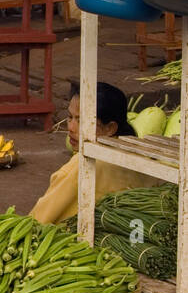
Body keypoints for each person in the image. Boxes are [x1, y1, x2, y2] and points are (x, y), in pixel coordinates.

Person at [29, 82, 163, 225]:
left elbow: (37, 220)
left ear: (110, 128)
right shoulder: (141, 157)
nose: (71, 128)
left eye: (82, 121)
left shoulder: (83, 164)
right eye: (70, 117)